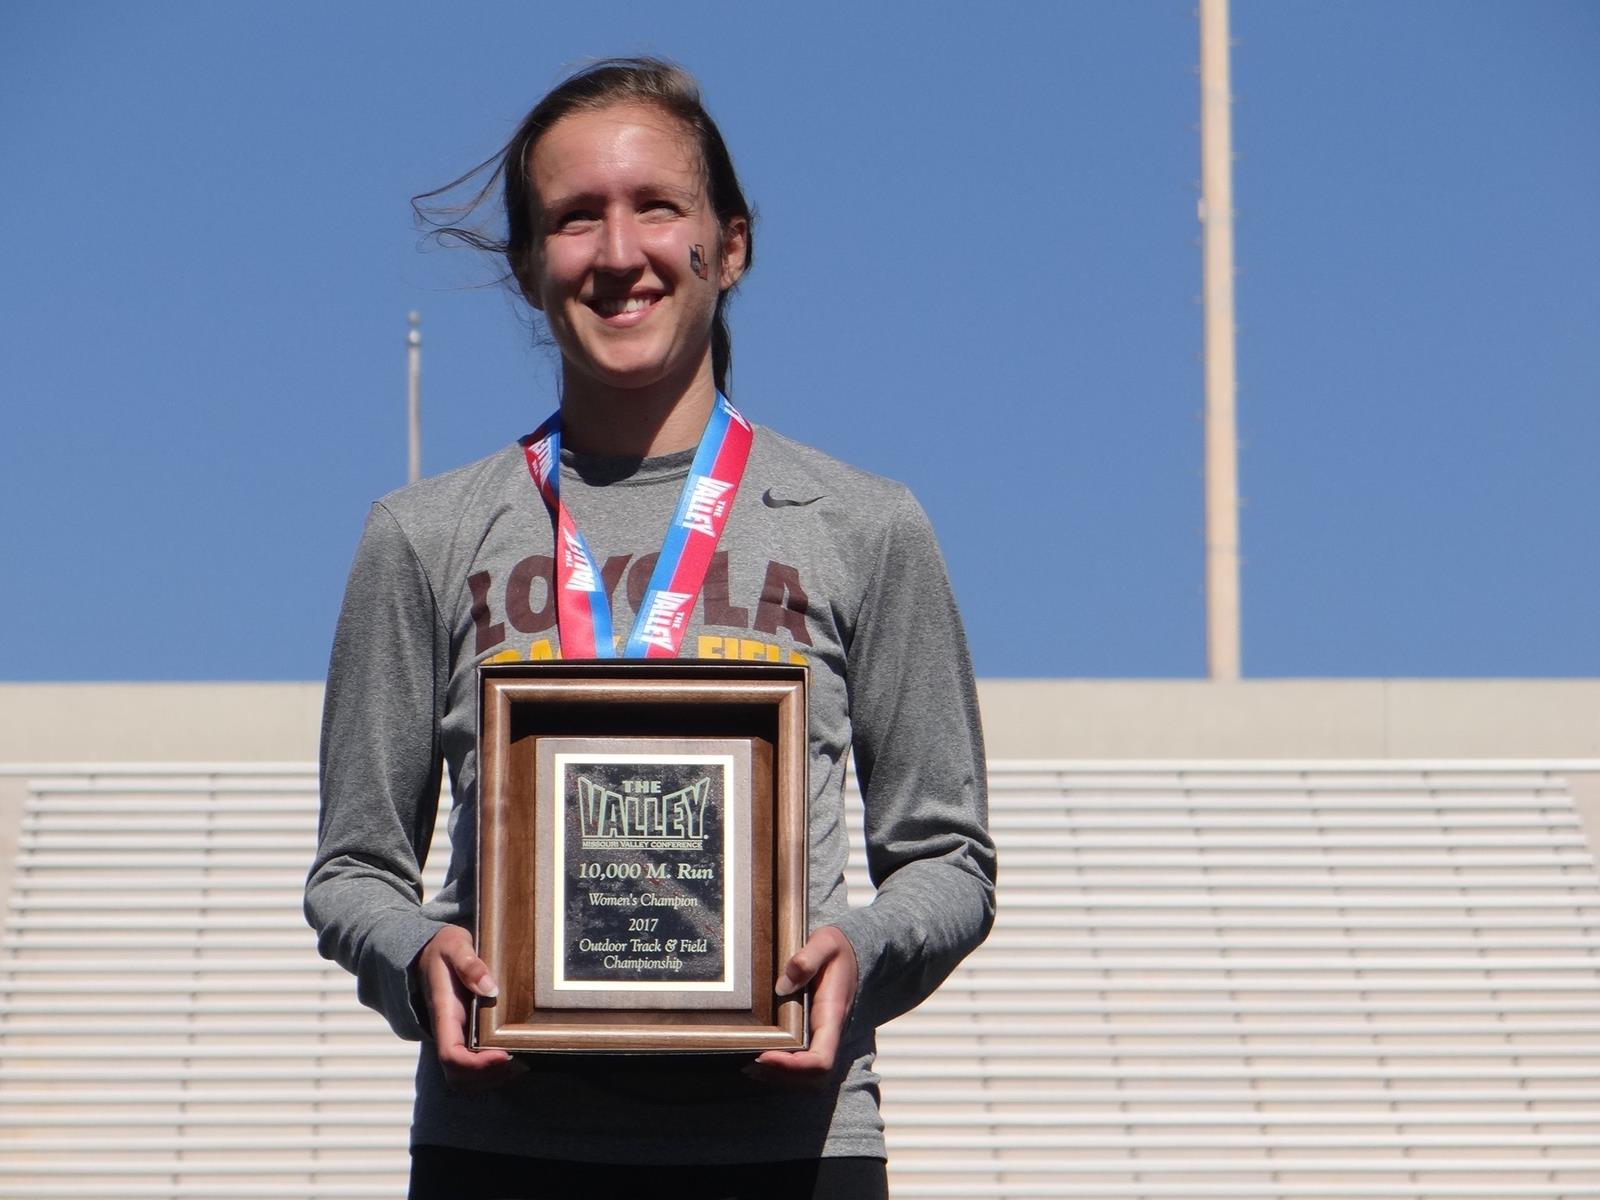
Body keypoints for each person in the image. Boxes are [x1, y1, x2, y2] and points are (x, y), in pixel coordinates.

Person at [306, 57, 995, 1199]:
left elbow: (948, 857)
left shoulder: (865, 524)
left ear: (730, 245)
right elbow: (353, 868)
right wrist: (417, 955)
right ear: (530, 268)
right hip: (505, 1147)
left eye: (655, 207)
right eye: (575, 219)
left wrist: (857, 955)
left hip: (796, 1146)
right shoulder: (420, 534)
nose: (617, 253)